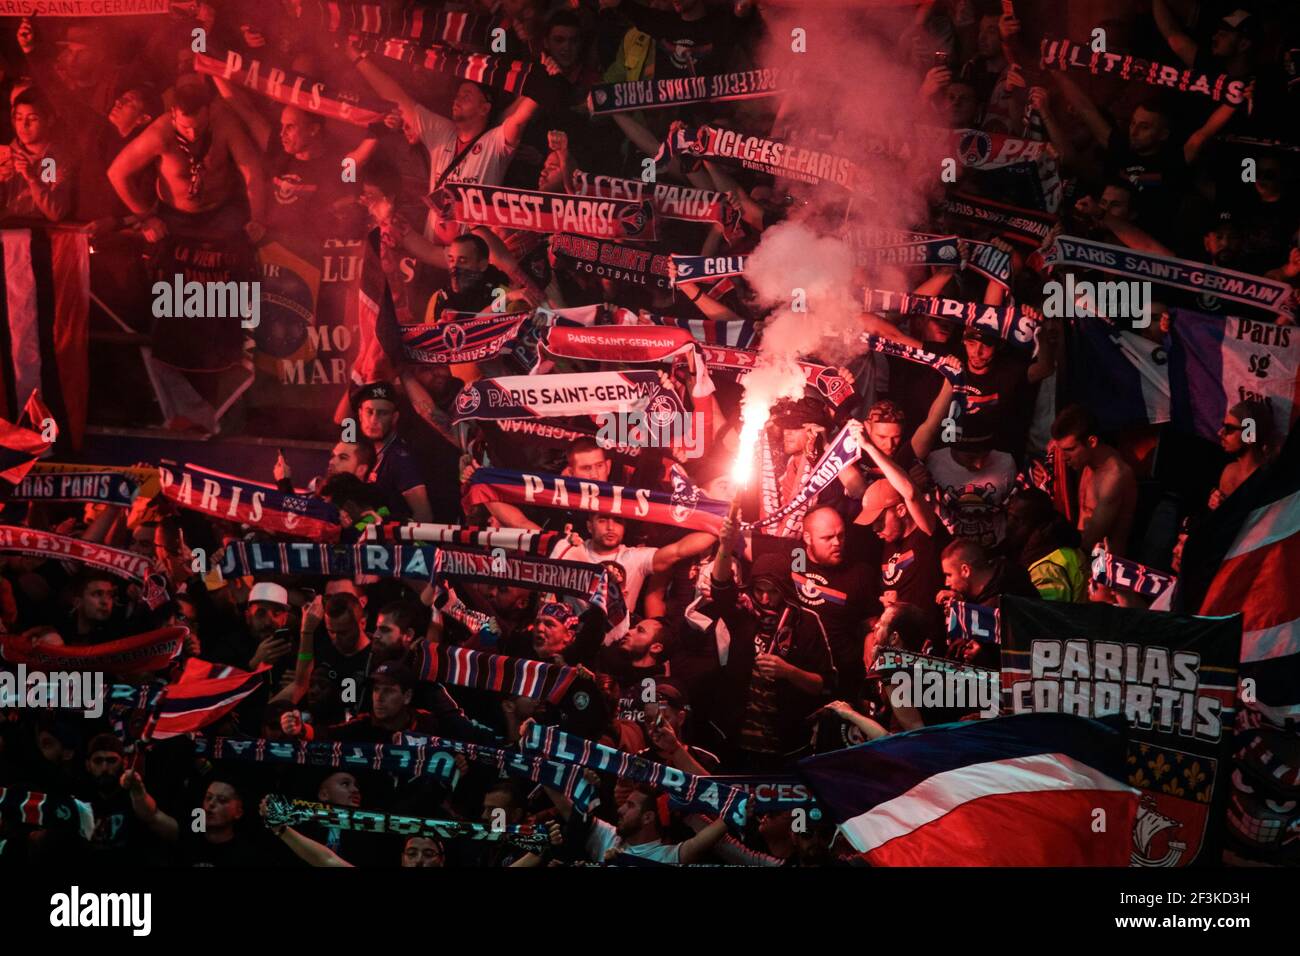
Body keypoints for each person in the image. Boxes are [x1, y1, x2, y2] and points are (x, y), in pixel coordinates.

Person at [1051, 404, 1138, 555]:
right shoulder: (1084, 462)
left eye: (1070, 450)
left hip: (1103, 567)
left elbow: (1089, 539)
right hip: (1082, 557)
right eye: (1061, 450)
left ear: (1091, 442)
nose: (1064, 457)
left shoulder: (1114, 477)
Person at [347, 381, 434, 522]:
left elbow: (424, 517)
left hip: (394, 542)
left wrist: (390, 528)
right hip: (372, 538)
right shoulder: (369, 451)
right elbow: (341, 422)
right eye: (369, 412)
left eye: (383, 413)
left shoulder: (400, 459)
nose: (374, 420)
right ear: (360, 414)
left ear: (394, 418)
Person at [0, 89, 75, 221]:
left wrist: (32, 178)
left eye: (33, 119)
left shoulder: (52, 161)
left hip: (40, 235)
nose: (24, 125)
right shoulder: (5, 155)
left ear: (49, 120)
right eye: (19, 118)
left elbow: (55, 212)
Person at [1210, 400, 1275, 509]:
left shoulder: (1267, 482)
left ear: (1249, 435)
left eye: (1229, 428)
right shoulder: (1229, 472)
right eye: (1223, 426)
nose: (1220, 433)